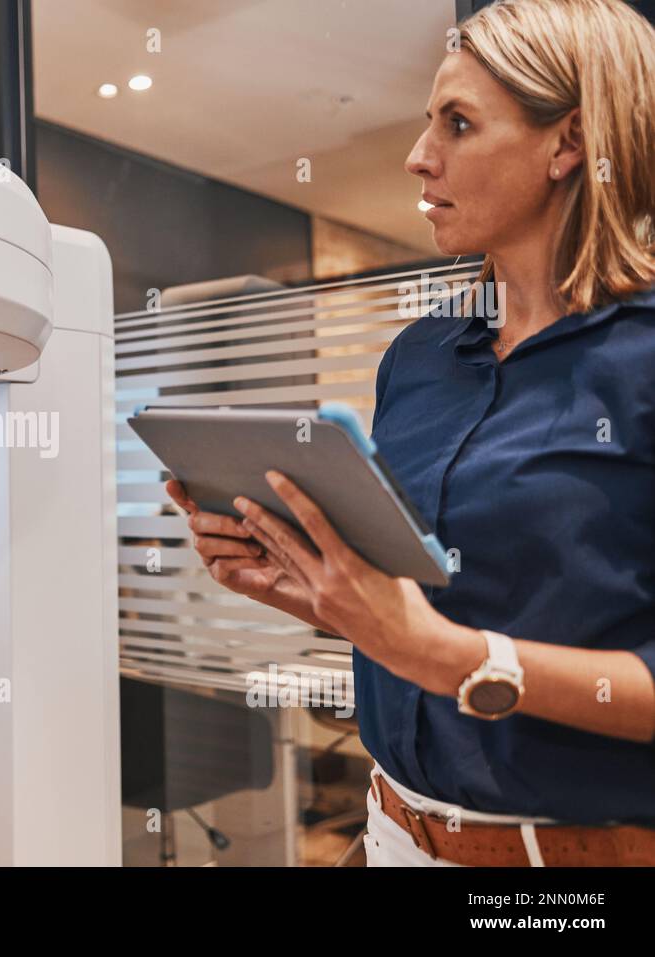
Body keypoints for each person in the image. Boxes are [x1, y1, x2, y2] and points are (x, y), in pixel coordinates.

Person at [169, 0, 655, 866]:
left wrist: (449, 656)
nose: (417, 156)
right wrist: (306, 585)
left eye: (458, 124)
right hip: (393, 827)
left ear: (568, 142)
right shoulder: (421, 357)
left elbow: (441, 644)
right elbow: (419, 610)